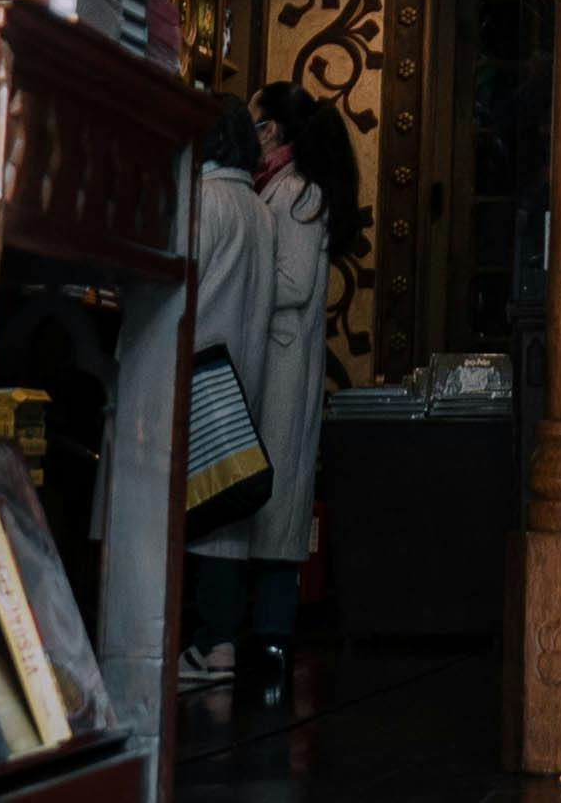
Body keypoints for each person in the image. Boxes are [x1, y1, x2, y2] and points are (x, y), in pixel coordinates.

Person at [184, 89, 360, 702]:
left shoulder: (299, 192)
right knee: (254, 500)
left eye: (259, 120)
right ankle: (247, 635)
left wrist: (247, 276)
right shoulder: (272, 190)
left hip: (281, 363)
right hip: (268, 358)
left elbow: (296, 281)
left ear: (274, 129)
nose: (252, 132)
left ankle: (269, 636)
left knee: (272, 504)